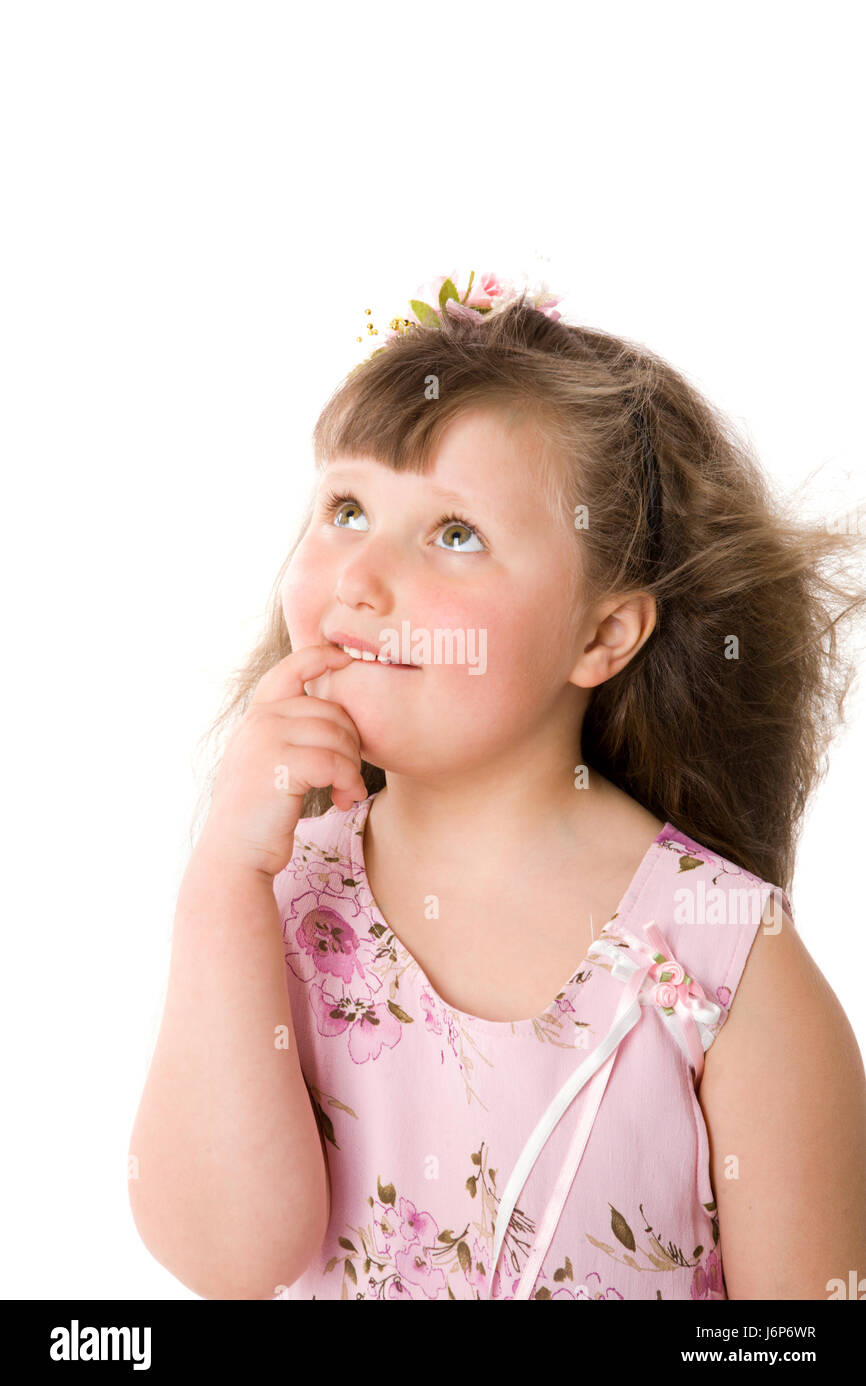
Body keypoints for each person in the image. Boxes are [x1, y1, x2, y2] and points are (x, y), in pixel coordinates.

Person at [128, 269, 866, 1300]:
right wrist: (217, 884)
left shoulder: (724, 961)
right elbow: (227, 1257)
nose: (359, 577)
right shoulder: (281, 904)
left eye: (454, 532)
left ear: (602, 633)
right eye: (345, 507)